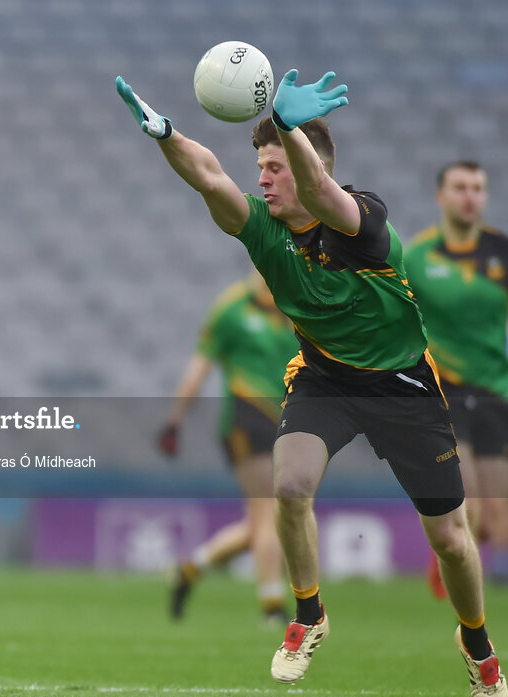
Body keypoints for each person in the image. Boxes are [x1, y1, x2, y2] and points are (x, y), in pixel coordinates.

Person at [116, 68, 506, 695]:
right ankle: (308, 614)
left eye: (274, 168)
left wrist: (288, 128)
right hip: (324, 379)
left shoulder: (364, 219)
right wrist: (166, 134)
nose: (262, 179)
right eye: (261, 167)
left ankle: (478, 644)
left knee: (452, 542)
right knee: (290, 486)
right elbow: (210, 176)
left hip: (403, 385)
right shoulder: (263, 230)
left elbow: (323, 194)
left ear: (306, 167)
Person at [160, 270, 295, 625]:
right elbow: (199, 366)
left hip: (285, 422)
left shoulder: (296, 301)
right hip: (246, 419)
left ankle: (189, 570)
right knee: (271, 512)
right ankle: (272, 606)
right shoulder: (232, 308)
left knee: (258, 525)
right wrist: (175, 421)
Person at [404, 161, 508, 595]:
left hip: (495, 391)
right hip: (443, 391)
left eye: (477, 188)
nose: (470, 196)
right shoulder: (417, 257)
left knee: (498, 522)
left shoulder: (501, 251)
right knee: (472, 508)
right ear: (441, 196)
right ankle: (464, 605)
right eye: (460, 187)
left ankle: (449, 551)